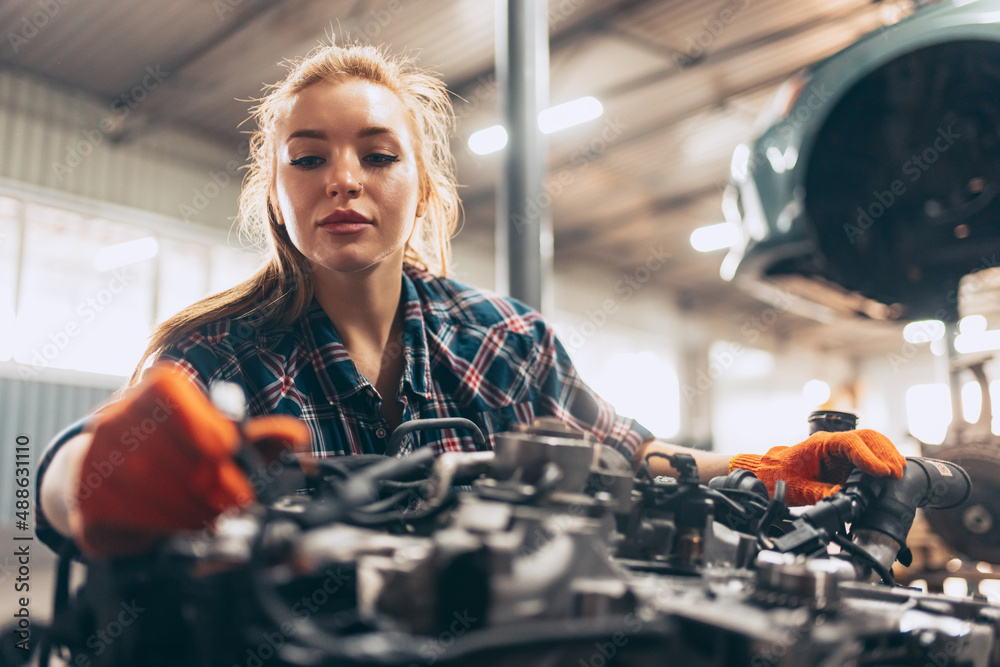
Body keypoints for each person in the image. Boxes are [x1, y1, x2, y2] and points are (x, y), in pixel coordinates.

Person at [36, 43, 906, 558]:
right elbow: (71, 481)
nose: (343, 178)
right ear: (275, 195)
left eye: (378, 155)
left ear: (422, 185)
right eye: (308, 158)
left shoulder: (505, 341)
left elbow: (635, 457)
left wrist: (770, 467)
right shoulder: (219, 351)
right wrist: (92, 478)